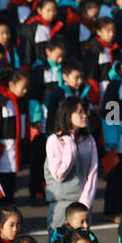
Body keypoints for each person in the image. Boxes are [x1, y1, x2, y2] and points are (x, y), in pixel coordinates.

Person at [44, 98, 98, 231]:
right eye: (79, 112)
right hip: (62, 204)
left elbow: (93, 173)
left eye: (85, 112)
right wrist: (71, 147)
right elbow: (59, 174)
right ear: (68, 115)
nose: (84, 116)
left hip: (83, 205)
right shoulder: (55, 140)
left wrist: (85, 203)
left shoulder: (89, 140)